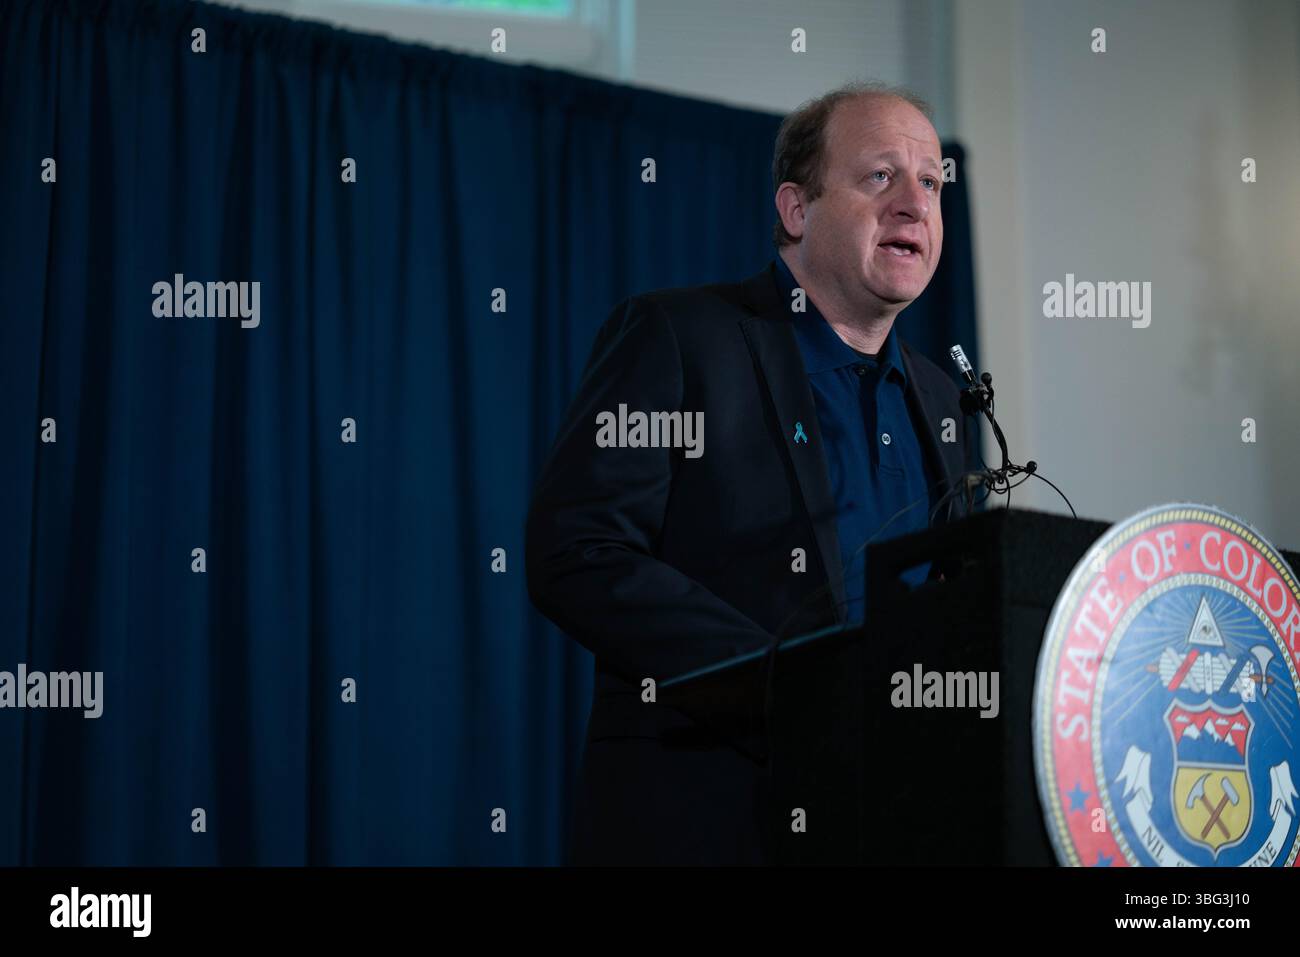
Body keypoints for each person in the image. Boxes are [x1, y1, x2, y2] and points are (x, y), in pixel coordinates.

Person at [526, 81, 980, 865]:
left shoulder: (944, 396)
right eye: (880, 176)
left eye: (932, 183)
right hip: (708, 822)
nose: (914, 204)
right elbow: (577, 549)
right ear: (797, 210)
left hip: (889, 825)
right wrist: (792, 683)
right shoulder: (679, 338)